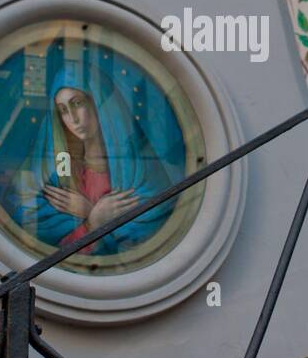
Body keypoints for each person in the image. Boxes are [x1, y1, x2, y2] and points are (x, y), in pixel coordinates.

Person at [10, 59, 180, 257]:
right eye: (63, 110)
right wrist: (93, 221)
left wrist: (91, 216)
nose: (73, 119)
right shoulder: (60, 169)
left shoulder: (139, 170)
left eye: (78, 103)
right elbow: (39, 233)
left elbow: (144, 237)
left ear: (99, 102)